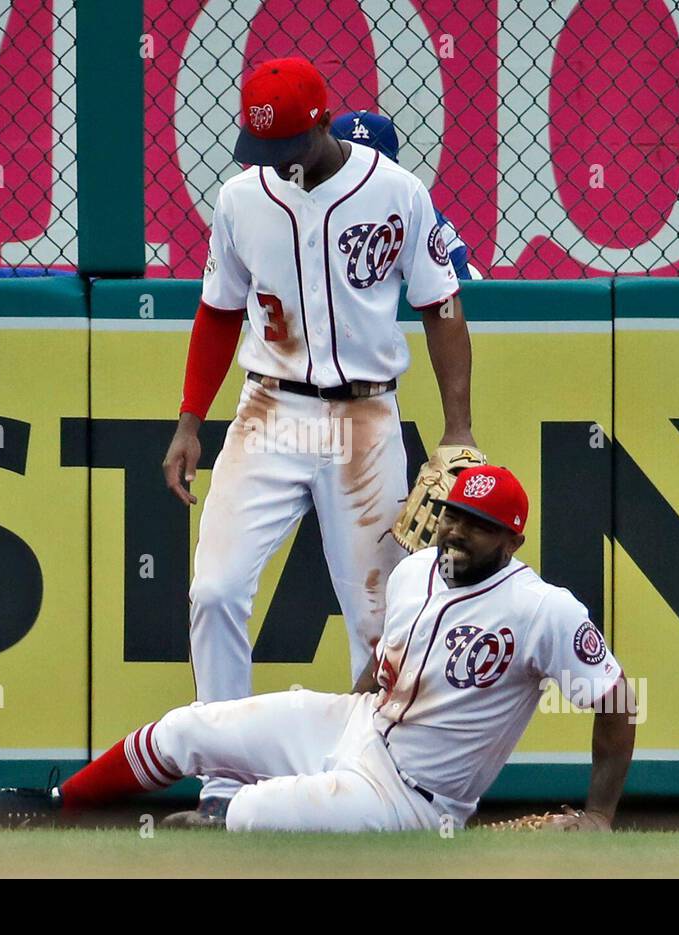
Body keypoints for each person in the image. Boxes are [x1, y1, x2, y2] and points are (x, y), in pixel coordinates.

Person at [155, 57, 481, 826]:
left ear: (322, 123)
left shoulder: (396, 192)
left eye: (286, 145)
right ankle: (225, 787)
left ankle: (371, 785)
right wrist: (190, 419)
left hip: (364, 420)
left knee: (378, 616)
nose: (274, 164)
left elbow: (441, 305)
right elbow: (217, 312)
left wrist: (458, 425)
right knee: (215, 589)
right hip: (268, 411)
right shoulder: (241, 198)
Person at [0, 465, 637, 833]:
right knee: (189, 727)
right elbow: (385, 667)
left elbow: (616, 700)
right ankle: (60, 807)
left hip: (415, 800)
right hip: (360, 727)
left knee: (240, 813)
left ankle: (237, 823)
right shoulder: (415, 570)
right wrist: (331, 730)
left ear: (513, 540)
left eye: (482, 526)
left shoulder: (543, 609)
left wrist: (600, 815)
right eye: (456, 514)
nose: (460, 530)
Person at [330, 110, 480, 279]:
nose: (364, 178)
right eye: (353, 168)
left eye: (374, 168)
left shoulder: (425, 218)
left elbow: (461, 292)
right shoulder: (307, 216)